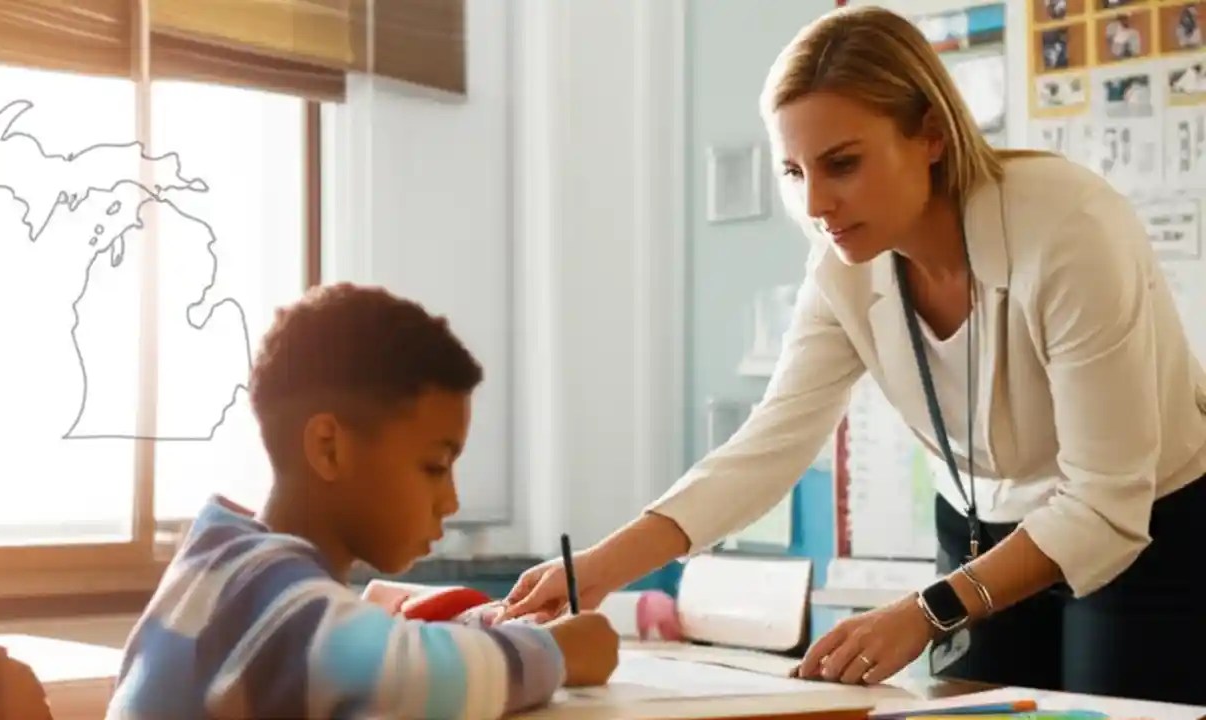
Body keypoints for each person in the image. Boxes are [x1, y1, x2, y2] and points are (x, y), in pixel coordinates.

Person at [498, 5, 1206, 706]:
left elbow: (1105, 498)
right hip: (980, 523)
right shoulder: (842, 270)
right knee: (975, 705)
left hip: (1145, 522)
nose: (816, 204)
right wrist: (598, 567)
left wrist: (923, 611)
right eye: (796, 172)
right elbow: (768, 448)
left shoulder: (1068, 227)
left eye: (842, 164)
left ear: (930, 134)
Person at [106, 283, 619, 720]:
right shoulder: (265, 589)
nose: (452, 500)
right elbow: (411, 675)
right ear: (329, 448)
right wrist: (562, 651)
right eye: (435, 467)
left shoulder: (222, 564)